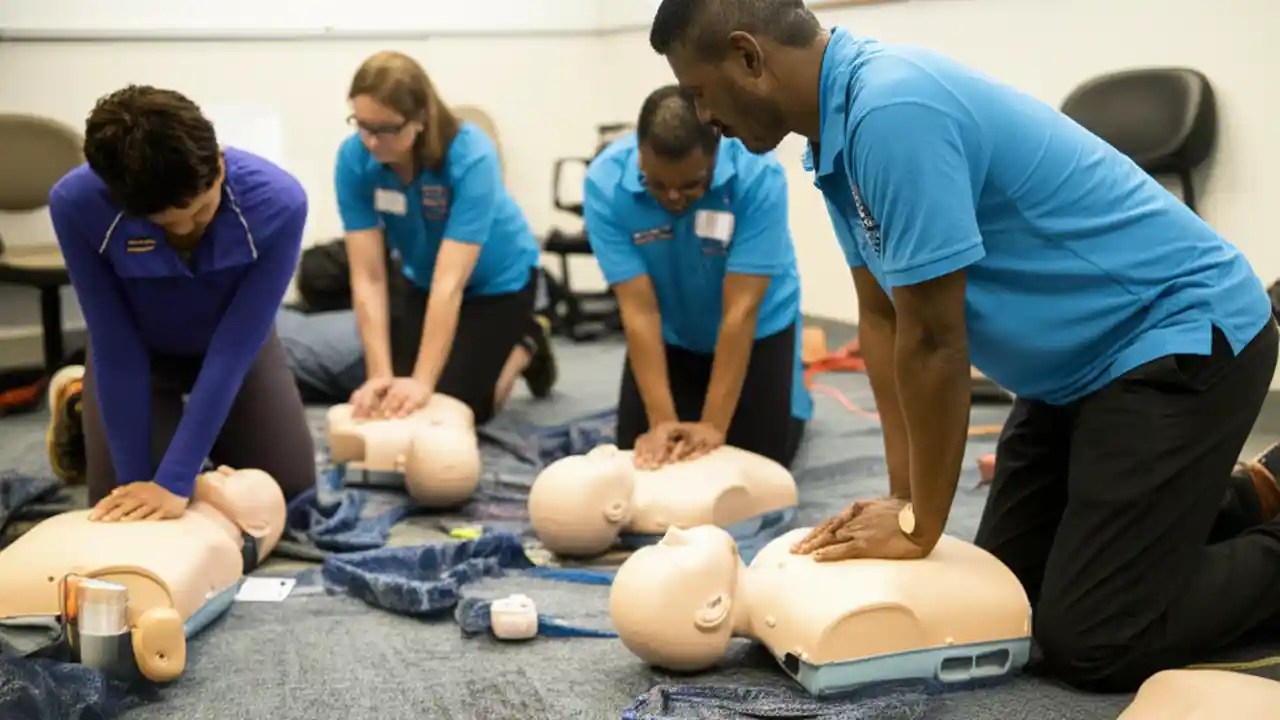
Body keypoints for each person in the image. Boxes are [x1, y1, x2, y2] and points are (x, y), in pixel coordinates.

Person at [648, 0, 1280, 692]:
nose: (704, 118)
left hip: (1178, 340)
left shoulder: (892, 111)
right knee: (1005, 595)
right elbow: (883, 321)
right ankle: (1246, 495)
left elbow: (934, 342)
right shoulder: (831, 142)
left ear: (748, 57)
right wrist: (901, 498)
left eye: (701, 94)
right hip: (1074, 373)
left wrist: (921, 521)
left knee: (1094, 638)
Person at [44, 85, 316, 521]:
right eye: (168, 224)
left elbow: (235, 347)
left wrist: (175, 481)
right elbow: (114, 341)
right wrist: (140, 484)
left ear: (221, 165)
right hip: (137, 353)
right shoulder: (76, 205)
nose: (190, 227)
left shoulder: (280, 204)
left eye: (203, 208)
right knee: (122, 511)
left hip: (233, 347)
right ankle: (79, 399)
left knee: (290, 500)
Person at [584, 85, 812, 470]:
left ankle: (794, 399)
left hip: (757, 330)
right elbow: (639, 309)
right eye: (657, 185)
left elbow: (740, 310)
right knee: (643, 458)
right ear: (639, 153)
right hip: (672, 333)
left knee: (753, 466)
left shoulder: (758, 175)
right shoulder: (604, 184)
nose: (673, 198)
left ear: (715, 156)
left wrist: (712, 426)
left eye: (690, 185)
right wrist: (662, 422)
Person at [335, 51, 556, 424]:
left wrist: (423, 382)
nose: (371, 141)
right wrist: (380, 374)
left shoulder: (471, 156)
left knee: (457, 406)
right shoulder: (354, 159)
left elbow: (450, 281)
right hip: (421, 279)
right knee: (393, 396)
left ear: (420, 118)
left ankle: (529, 343)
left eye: (385, 129)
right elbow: (369, 277)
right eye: (361, 124)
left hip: (497, 282)